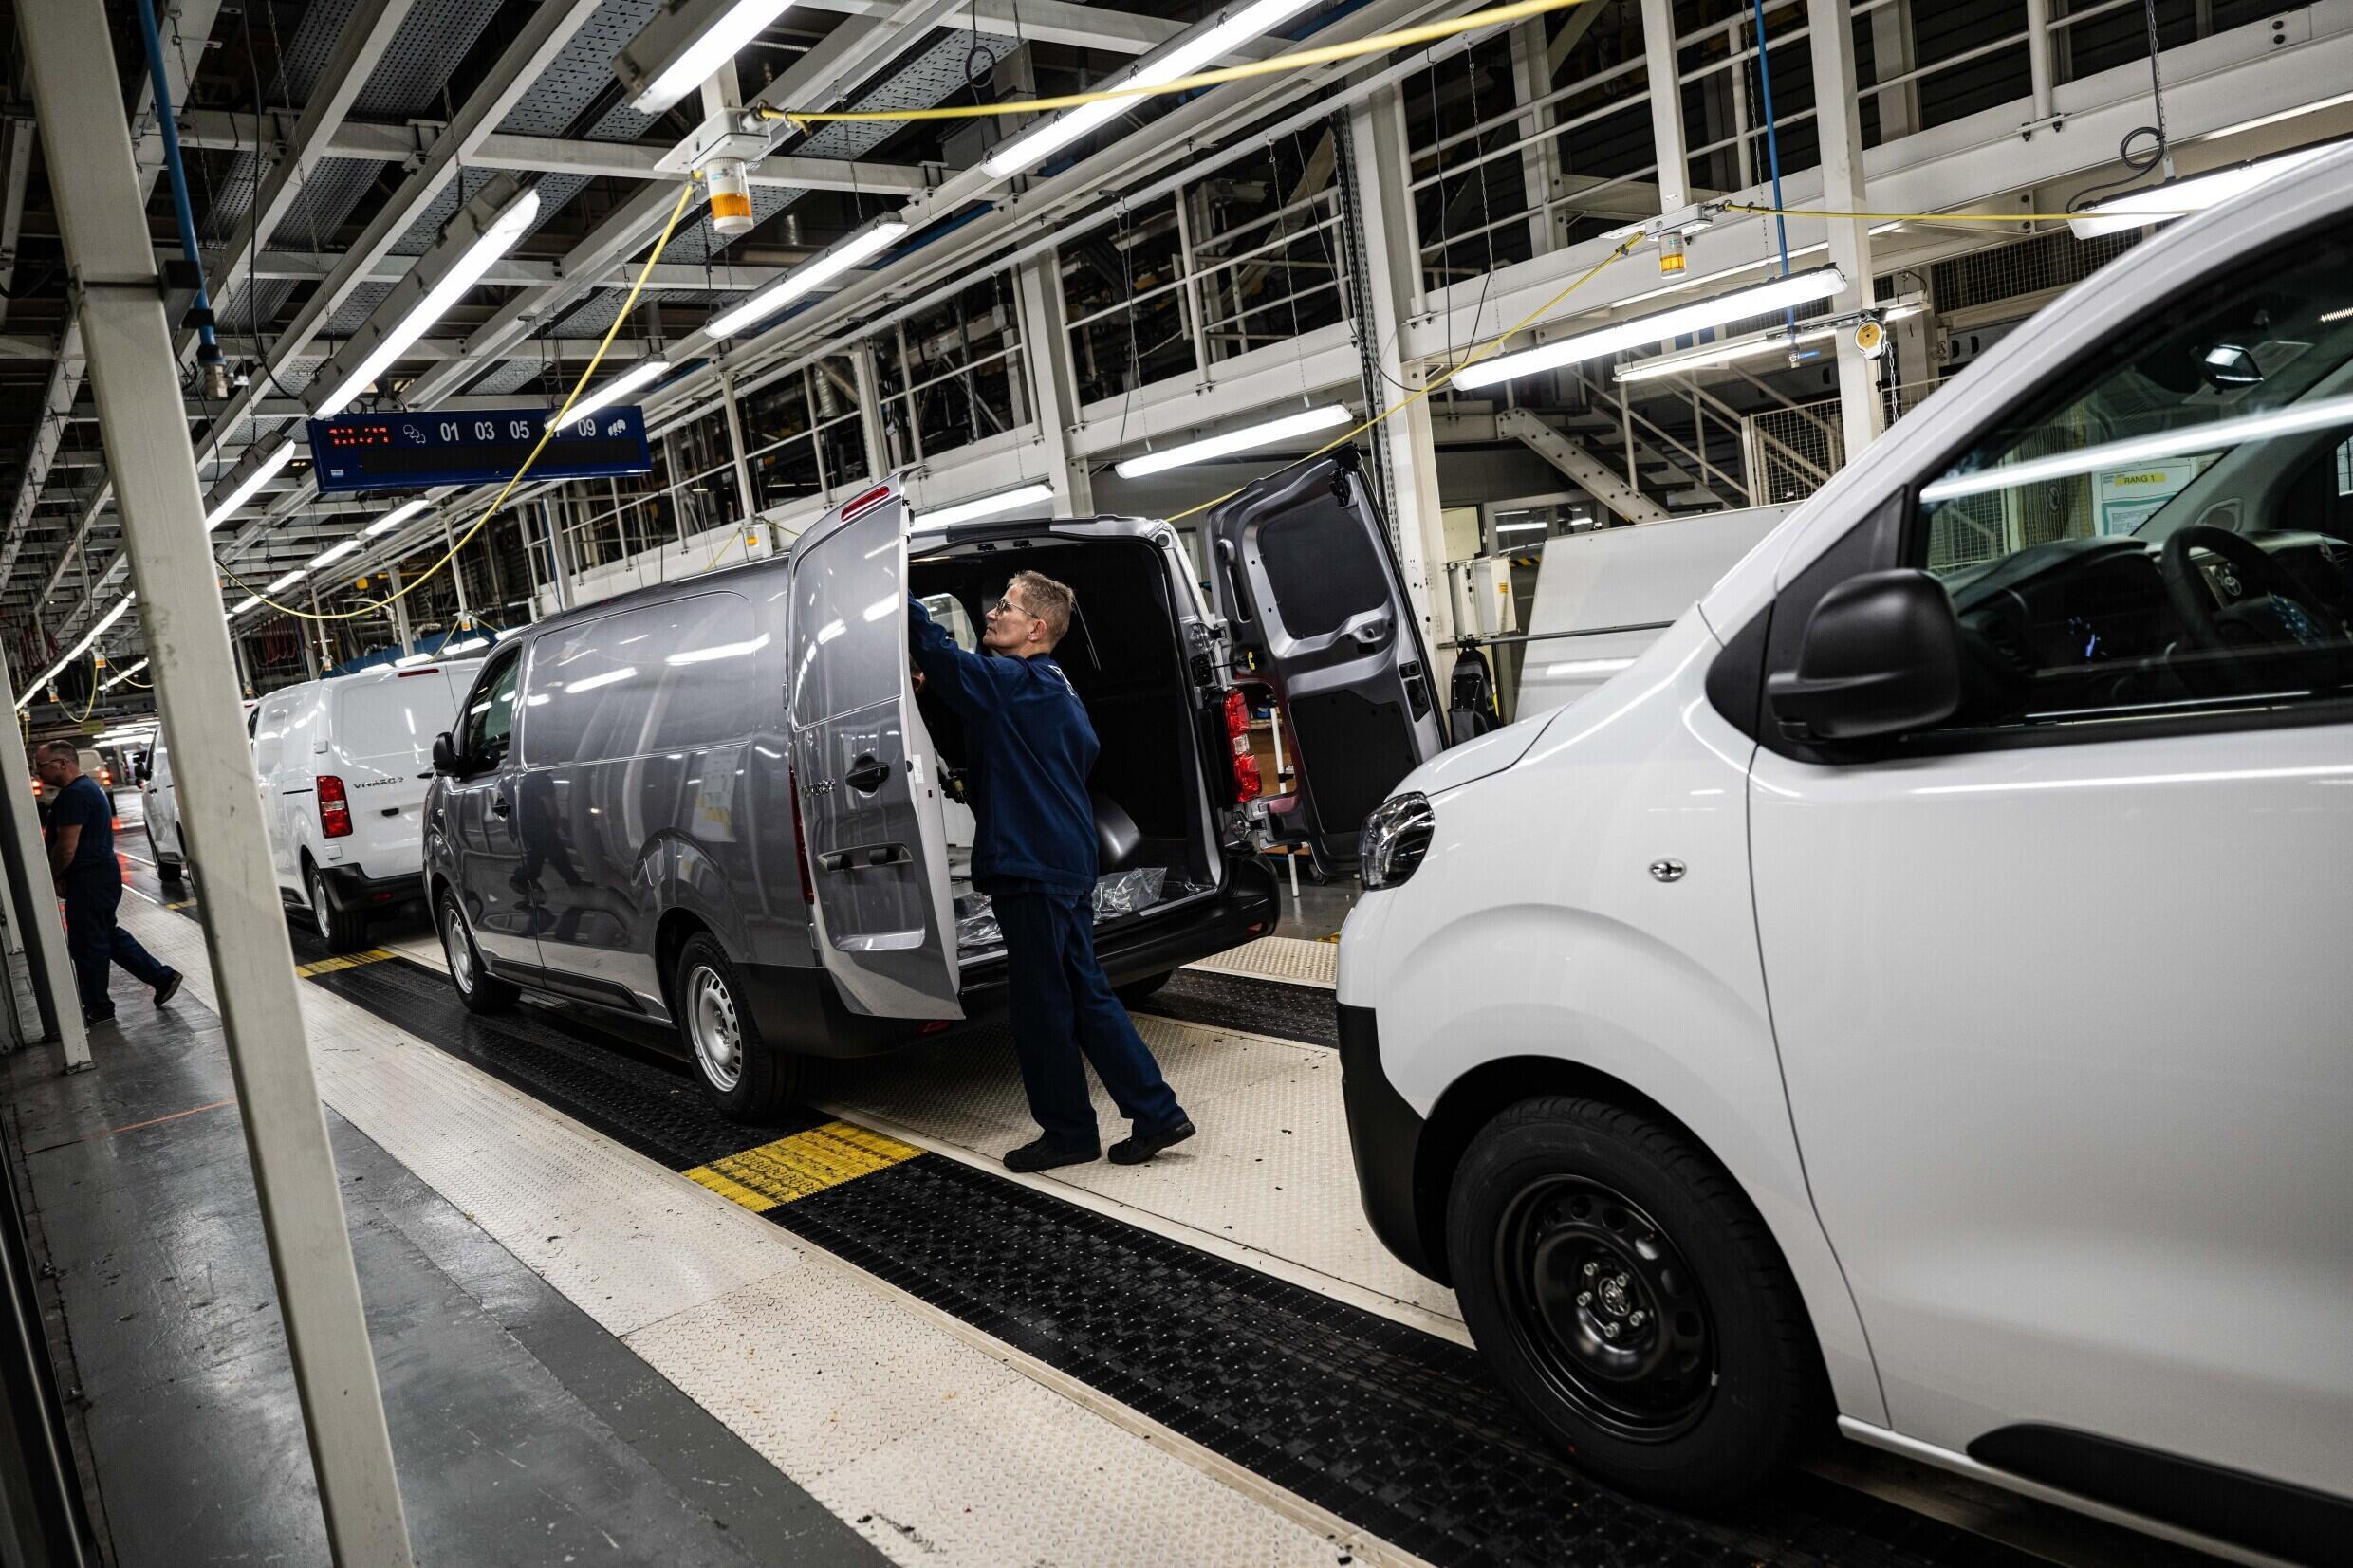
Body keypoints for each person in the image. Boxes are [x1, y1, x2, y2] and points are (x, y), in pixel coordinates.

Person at [909, 571, 1195, 1172]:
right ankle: (1156, 1112)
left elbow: (939, 652)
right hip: (1063, 857)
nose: (993, 615)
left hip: (1033, 864)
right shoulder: (1055, 688)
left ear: (1036, 628)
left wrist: (893, 595)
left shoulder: (1013, 682)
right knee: (1085, 992)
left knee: (1041, 1007)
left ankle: (1068, 1132)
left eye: (1007, 609)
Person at [36, 740, 181, 1026]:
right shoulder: (86, 789)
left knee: (87, 945)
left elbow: (67, 848)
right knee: (106, 935)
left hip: (90, 879)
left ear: (63, 763)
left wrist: (51, 878)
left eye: (41, 766)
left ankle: (99, 1008)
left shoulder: (74, 796)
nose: (37, 773)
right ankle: (162, 977)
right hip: (99, 876)